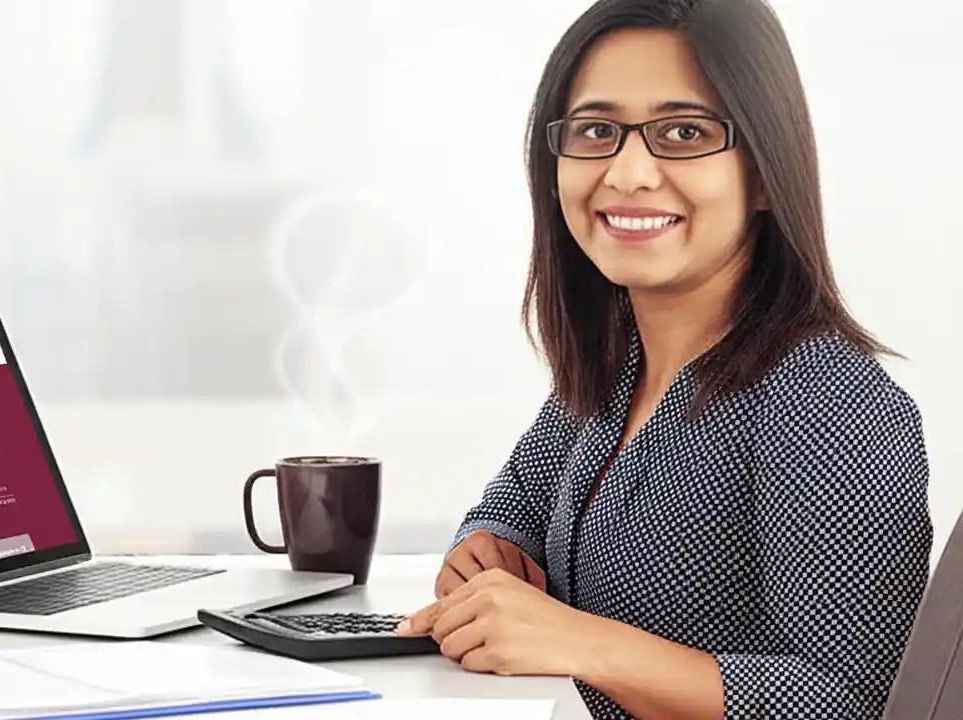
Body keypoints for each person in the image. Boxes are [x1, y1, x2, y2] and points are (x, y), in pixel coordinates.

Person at [394, 0, 933, 718]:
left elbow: (853, 701)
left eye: (684, 131)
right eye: (596, 131)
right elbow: (516, 501)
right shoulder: (614, 364)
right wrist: (488, 547)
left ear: (767, 172)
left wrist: (583, 644)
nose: (627, 173)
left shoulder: (828, 403)